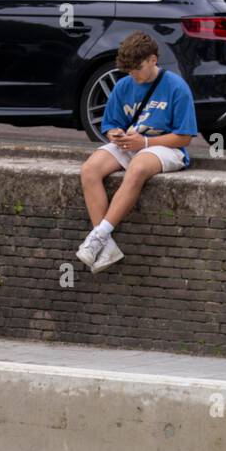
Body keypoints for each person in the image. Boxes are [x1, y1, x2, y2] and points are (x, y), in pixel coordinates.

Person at [76, 31, 198, 273]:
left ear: (153, 60)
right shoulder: (123, 86)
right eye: (128, 70)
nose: (132, 74)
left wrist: (143, 144)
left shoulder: (176, 87)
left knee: (139, 167)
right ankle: (107, 247)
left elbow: (185, 136)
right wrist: (114, 134)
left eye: (137, 68)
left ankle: (99, 235)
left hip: (165, 147)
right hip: (132, 143)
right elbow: (110, 123)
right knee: (90, 169)